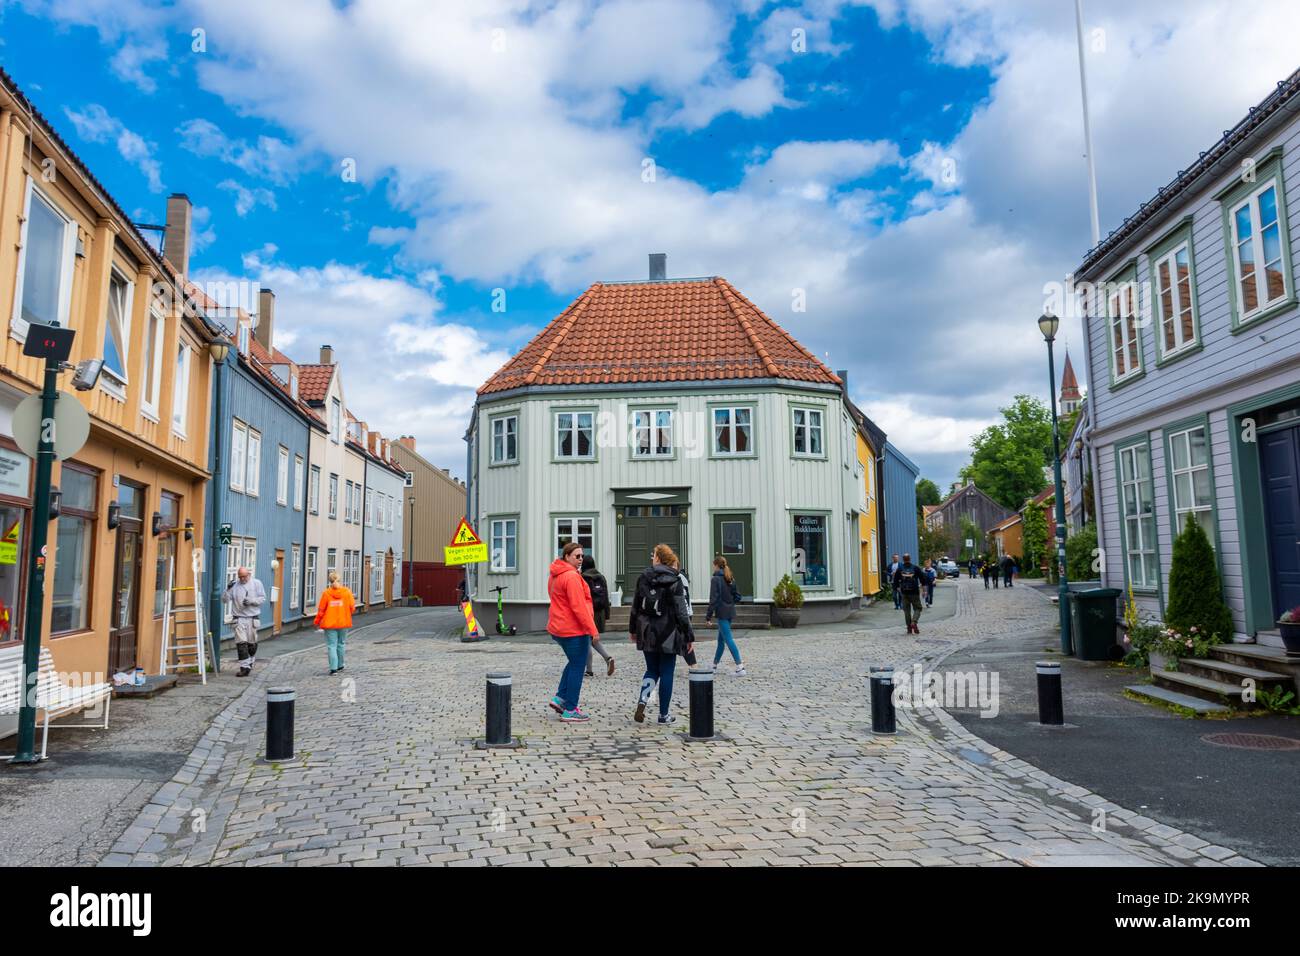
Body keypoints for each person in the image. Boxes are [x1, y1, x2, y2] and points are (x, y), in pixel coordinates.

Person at [629, 543, 695, 724]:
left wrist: (633, 629)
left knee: (651, 669)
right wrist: (689, 636)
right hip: (668, 631)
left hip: (646, 629)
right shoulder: (675, 580)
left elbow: (635, 604)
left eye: (654, 554)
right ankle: (663, 715)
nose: (652, 557)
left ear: (659, 558)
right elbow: (682, 612)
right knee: (666, 671)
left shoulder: (644, 577)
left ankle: (643, 700)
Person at [547, 541, 599, 722]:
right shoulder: (571, 577)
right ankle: (570, 709)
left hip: (559, 627)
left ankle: (560, 698)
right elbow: (579, 607)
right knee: (578, 666)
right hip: (573, 629)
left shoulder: (556, 574)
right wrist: (592, 629)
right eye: (576, 556)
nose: (580, 559)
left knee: (573, 662)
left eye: (582, 556)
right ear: (566, 556)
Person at [705, 556, 745, 676]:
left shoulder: (715, 579)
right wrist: (729, 603)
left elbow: (713, 599)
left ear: (716, 565)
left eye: (714, 565)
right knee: (720, 641)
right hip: (730, 612)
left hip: (722, 613)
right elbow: (738, 596)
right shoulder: (730, 577)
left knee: (728, 639)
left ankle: (740, 667)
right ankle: (714, 665)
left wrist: (708, 616)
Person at [223, 566, 266, 677]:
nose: (242, 579)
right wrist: (227, 589)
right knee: (241, 643)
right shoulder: (234, 586)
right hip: (239, 618)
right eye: (240, 577)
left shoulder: (257, 583)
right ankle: (244, 668)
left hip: (252, 617)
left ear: (249, 575)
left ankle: (250, 661)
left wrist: (252, 601)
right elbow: (224, 600)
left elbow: (262, 598)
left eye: (244, 576)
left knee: (252, 644)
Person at [314, 570, 355, 675]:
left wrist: (317, 621)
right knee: (341, 644)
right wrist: (345, 612)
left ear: (330, 581)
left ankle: (333, 668)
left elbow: (321, 610)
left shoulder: (326, 593)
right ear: (339, 580)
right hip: (343, 622)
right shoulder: (347, 592)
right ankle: (340, 665)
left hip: (330, 624)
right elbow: (352, 607)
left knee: (332, 645)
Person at [581, 554, 615, 677]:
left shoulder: (583, 578)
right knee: (591, 639)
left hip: (589, 612)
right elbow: (605, 597)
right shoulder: (601, 577)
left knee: (587, 640)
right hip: (600, 613)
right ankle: (607, 659)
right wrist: (607, 614)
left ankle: (590, 669)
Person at [893, 552, 924, 634]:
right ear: (910, 559)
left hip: (904, 593)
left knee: (907, 611)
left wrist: (898, 589)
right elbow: (923, 578)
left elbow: (895, 582)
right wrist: (924, 589)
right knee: (918, 608)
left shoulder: (899, 569)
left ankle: (909, 628)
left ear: (903, 560)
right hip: (914, 592)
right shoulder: (916, 568)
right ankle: (914, 622)